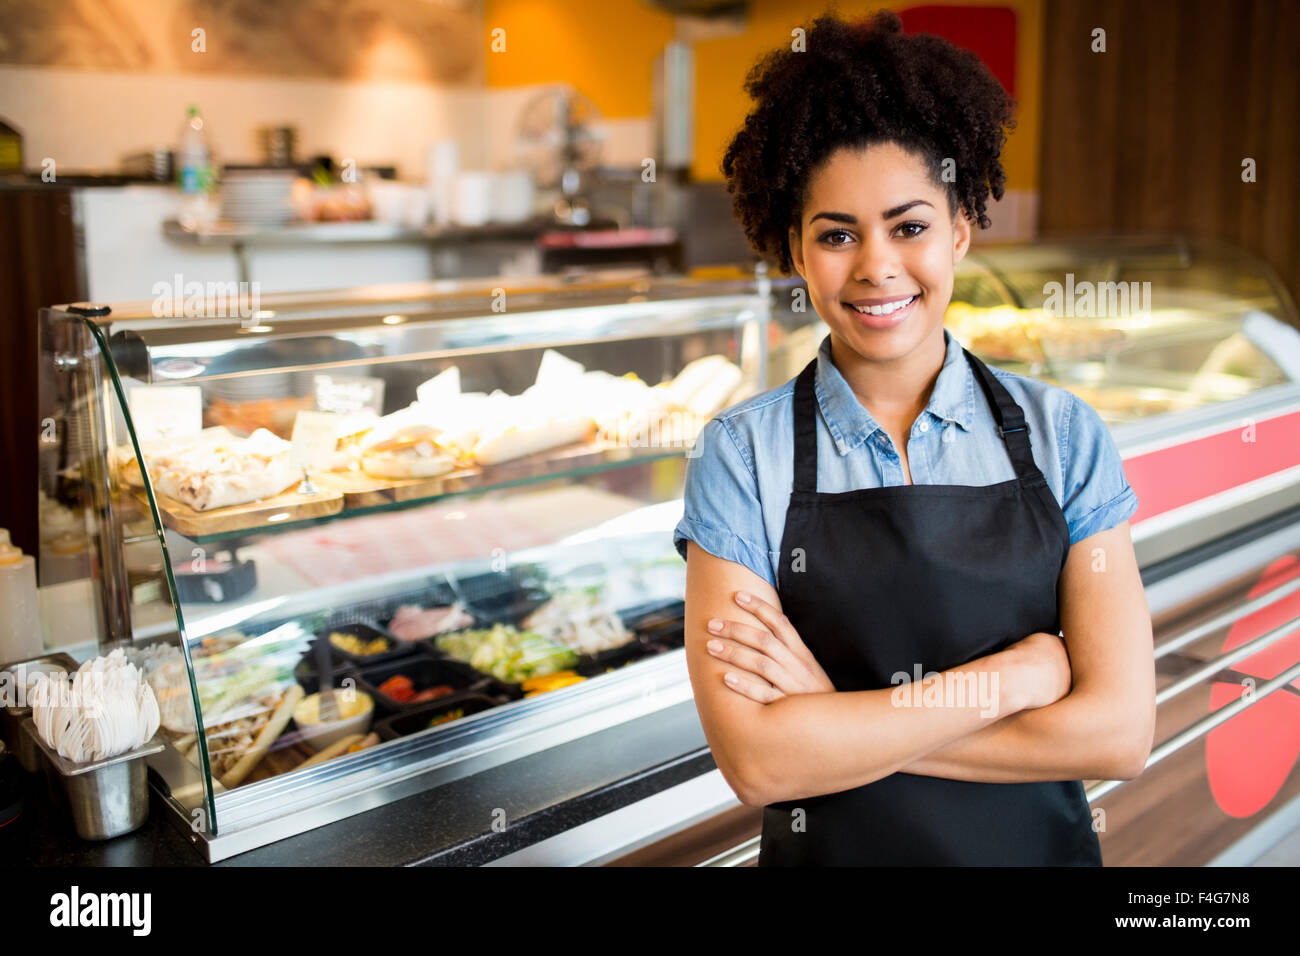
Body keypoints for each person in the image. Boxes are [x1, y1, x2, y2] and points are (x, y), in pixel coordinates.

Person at [673, 10, 1156, 866]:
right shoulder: (742, 457)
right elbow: (755, 762)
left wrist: (834, 719)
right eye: (835, 234)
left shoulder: (1065, 436)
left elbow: (1117, 733)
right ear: (792, 246)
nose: (876, 266)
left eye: (910, 225)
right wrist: (1014, 681)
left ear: (961, 227)